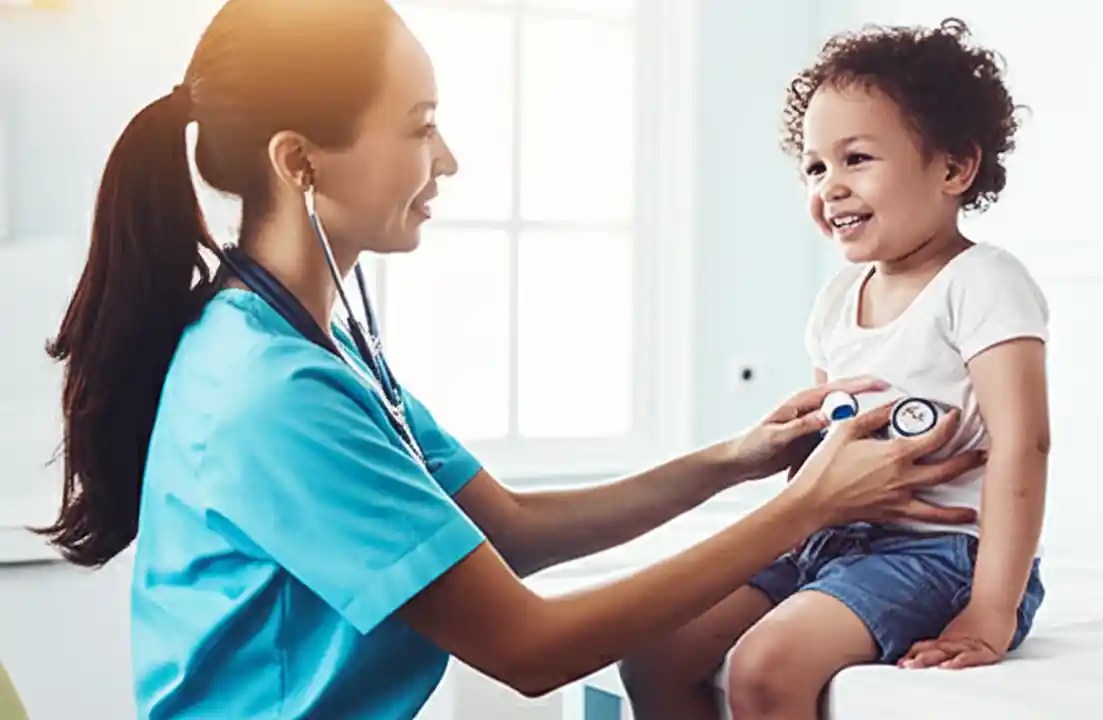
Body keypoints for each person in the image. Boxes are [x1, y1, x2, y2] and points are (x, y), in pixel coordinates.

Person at [36, 1, 984, 717]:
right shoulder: (269, 392)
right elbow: (531, 650)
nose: (445, 159)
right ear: (300, 160)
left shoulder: (307, 343)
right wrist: (806, 509)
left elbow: (513, 530)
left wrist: (733, 460)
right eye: (417, 125)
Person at [620, 18, 1051, 720]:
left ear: (953, 168)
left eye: (856, 159)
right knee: (652, 651)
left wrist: (990, 611)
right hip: (831, 536)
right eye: (815, 168)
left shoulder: (983, 282)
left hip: (943, 552)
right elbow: (827, 452)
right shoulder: (833, 302)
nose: (831, 187)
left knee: (765, 668)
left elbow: (1022, 446)